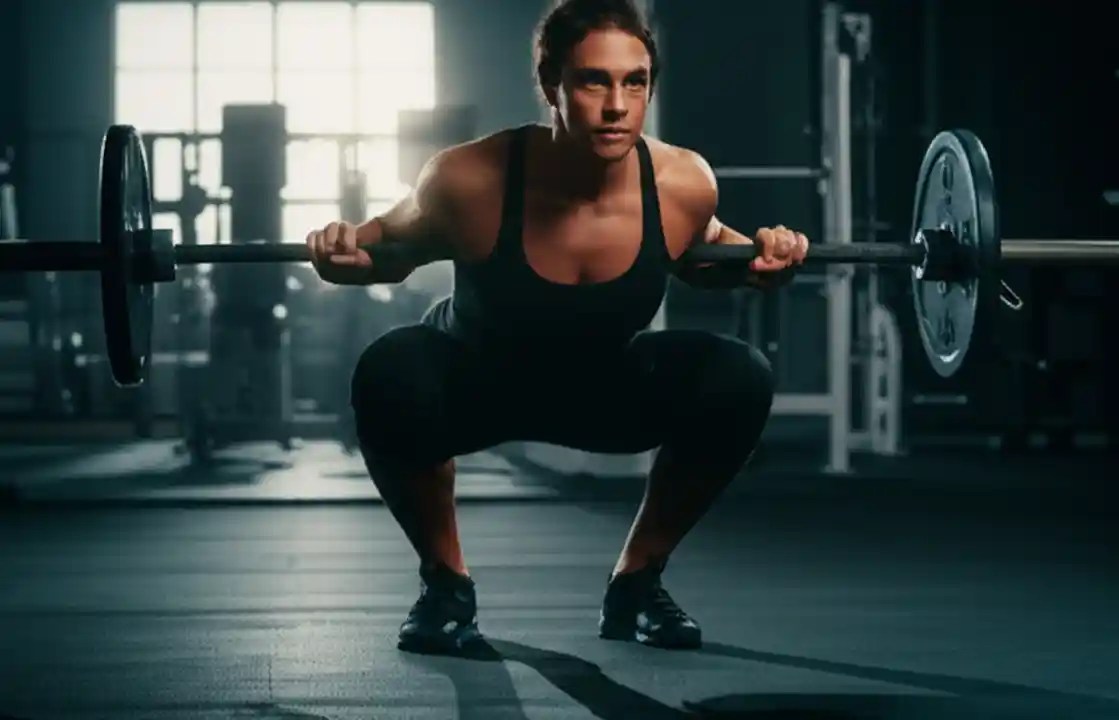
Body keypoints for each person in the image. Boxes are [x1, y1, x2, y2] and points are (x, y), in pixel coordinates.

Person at [305, 0, 808, 655]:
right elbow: (384, 247)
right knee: (391, 369)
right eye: (594, 81)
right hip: (474, 385)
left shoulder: (681, 181)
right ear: (551, 85)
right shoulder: (470, 178)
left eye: (634, 82)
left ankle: (637, 582)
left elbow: (706, 254)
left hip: (600, 390)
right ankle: (445, 587)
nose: (617, 106)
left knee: (739, 376)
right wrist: (341, 252)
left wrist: (763, 258)